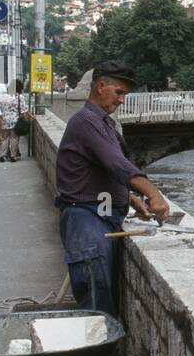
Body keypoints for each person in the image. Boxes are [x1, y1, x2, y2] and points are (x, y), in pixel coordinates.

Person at [55, 60, 170, 322]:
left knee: (104, 294)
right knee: (96, 297)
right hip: (86, 220)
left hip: (99, 217)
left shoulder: (103, 123)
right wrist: (154, 195)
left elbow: (98, 174)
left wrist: (129, 198)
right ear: (100, 86)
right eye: (119, 92)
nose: (121, 100)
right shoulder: (86, 122)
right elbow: (117, 166)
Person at [0, 80, 27, 163]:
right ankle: (13, 156)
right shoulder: (19, 97)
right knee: (14, 138)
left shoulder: (2, 97)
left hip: (4, 121)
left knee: (4, 138)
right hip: (15, 122)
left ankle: (3, 156)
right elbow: (23, 111)